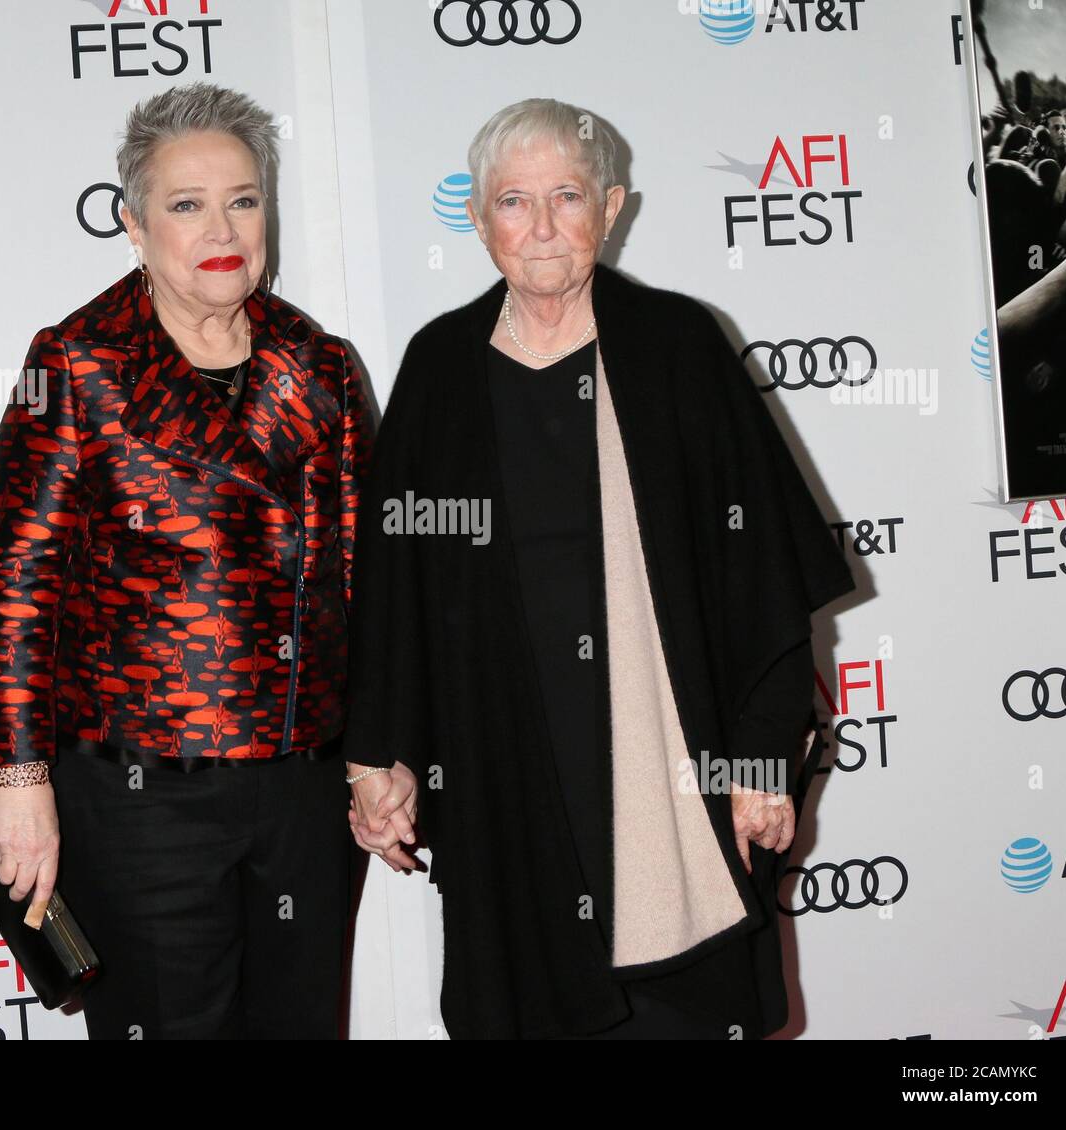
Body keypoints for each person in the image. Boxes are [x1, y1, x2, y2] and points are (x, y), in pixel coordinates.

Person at [342, 98, 856, 1039]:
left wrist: (758, 760)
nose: (540, 227)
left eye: (567, 196)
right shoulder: (441, 367)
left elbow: (765, 584)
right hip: (508, 780)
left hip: (667, 785)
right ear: (476, 214)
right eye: (513, 201)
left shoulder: (679, 347)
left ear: (611, 208)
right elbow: (392, 593)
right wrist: (380, 759)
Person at [0, 82, 379, 1039]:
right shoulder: (74, 363)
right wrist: (20, 786)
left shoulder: (319, 364)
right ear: (133, 225)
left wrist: (375, 753)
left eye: (242, 199)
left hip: (303, 793)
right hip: (143, 799)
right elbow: (14, 588)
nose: (220, 227)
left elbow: (367, 579)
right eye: (186, 205)